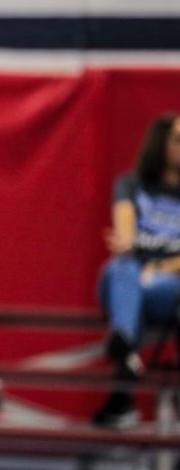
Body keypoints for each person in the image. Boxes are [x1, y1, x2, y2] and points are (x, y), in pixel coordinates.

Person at [93, 113, 180, 429]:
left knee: (134, 278)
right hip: (128, 280)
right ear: (161, 145)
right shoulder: (130, 185)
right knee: (122, 269)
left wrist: (160, 267)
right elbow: (126, 237)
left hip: (170, 287)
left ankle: (123, 389)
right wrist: (130, 248)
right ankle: (127, 348)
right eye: (178, 140)